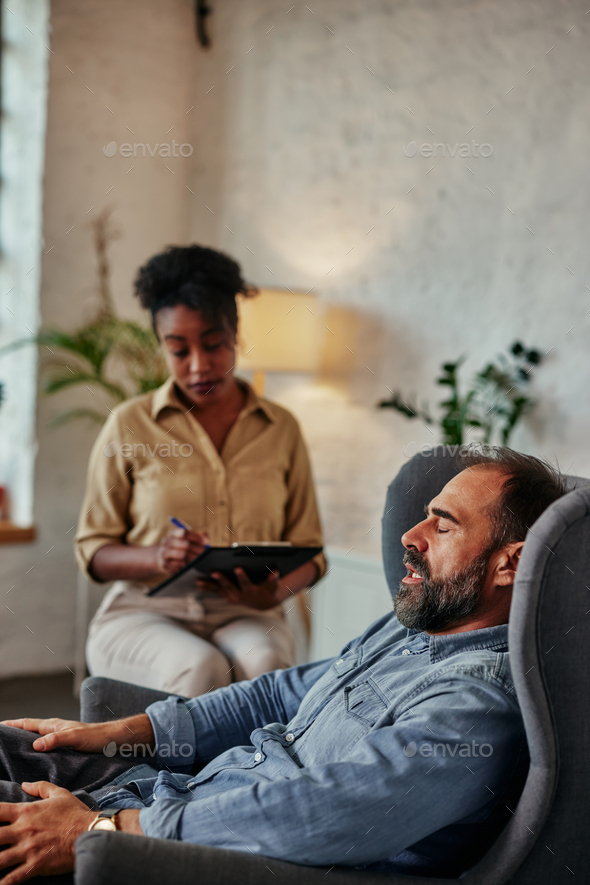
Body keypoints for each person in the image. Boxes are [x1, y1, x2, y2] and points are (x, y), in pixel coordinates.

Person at [0, 447, 567, 882]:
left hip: (170, 851)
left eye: (443, 525)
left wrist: (105, 831)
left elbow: (327, 811)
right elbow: (278, 694)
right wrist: (117, 735)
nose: (409, 536)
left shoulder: (475, 705)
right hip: (163, 791)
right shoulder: (416, 625)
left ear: (508, 564)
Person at [75, 245, 326, 696]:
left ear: (236, 332)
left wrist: (272, 593)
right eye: (178, 350)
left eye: (213, 344)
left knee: (266, 664)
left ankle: (265, 770)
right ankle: (188, 772)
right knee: (202, 668)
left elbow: (310, 551)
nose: (199, 365)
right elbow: (93, 549)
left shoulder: (281, 428)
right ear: (161, 347)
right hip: (145, 609)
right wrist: (158, 557)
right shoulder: (130, 424)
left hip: (248, 612)